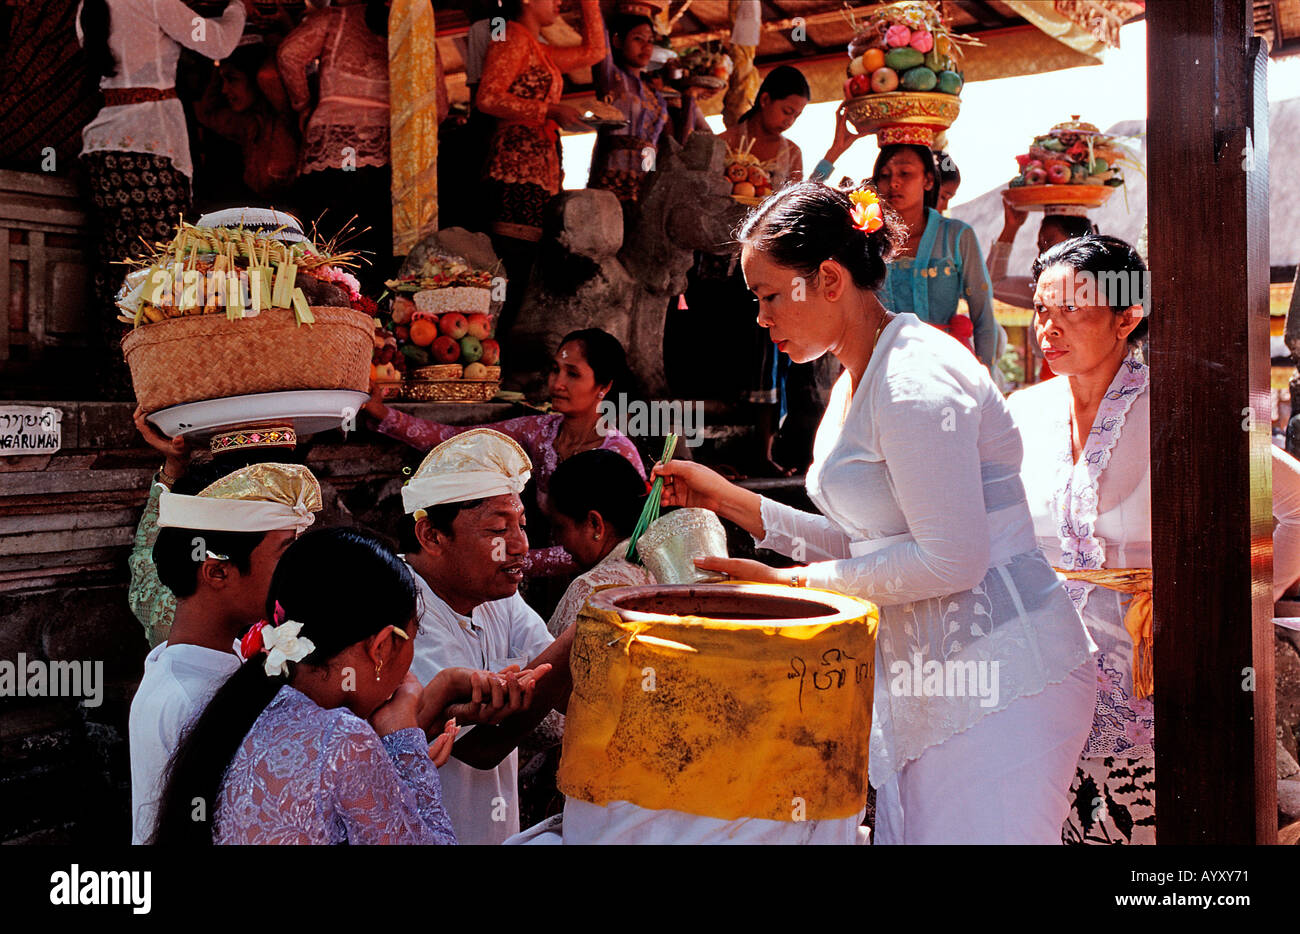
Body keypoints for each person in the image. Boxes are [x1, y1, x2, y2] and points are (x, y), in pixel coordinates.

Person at [653, 180, 1098, 844]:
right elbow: (875, 542)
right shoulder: (858, 373)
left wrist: (791, 587)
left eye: (769, 296)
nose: (761, 318)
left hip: (1004, 681)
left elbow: (950, 559)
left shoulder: (912, 381)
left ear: (828, 279)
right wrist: (733, 502)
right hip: (933, 683)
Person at [1006, 234, 1300, 844]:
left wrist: (1231, 606)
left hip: (1154, 670)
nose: (1048, 327)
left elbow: (1295, 506)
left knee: (1141, 831)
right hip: (1039, 673)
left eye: (1071, 308)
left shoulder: (1182, 410)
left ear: (1126, 315)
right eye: (1040, 309)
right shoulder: (1021, 413)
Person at [149, 528, 486, 845]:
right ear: (381, 647)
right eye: (412, 637)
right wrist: (405, 744)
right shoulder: (343, 738)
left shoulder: (238, 708)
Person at [399, 428, 580, 844]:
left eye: (521, 524)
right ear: (431, 536)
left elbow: (564, 687)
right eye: (498, 530)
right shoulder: (402, 606)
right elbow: (477, 747)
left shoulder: (496, 592)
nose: (519, 546)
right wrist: (585, 629)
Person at [128, 459, 323, 845]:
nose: (297, 573)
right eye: (285, 555)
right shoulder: (186, 699)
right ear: (217, 572)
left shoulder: (229, 657)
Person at [365, 328, 647, 577]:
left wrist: (510, 561)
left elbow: (628, 540)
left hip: (603, 581)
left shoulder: (619, 454)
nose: (557, 383)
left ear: (604, 386)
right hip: (528, 576)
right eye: (554, 370)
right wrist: (384, 415)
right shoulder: (542, 431)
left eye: (572, 374)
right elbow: (459, 441)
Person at [75, 0, 249, 398]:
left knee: (117, 273)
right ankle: (159, 385)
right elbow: (218, 43)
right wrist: (238, 7)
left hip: (102, 149)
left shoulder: (88, 5)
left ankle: (118, 383)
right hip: (151, 147)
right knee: (162, 272)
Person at [476, 0, 605, 337]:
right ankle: (491, 352)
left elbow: (594, 51)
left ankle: (498, 354)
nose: (559, 3)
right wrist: (549, 110)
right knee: (508, 264)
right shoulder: (512, 36)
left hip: (539, 171)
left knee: (523, 268)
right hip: (514, 168)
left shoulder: (540, 47)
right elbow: (488, 97)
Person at [277, 0, 393, 290]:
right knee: (374, 252)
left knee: (328, 253)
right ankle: (375, 329)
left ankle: (331, 325)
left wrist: (303, 104)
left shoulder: (336, 17)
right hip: (383, 151)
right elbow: (439, 105)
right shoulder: (414, 27)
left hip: (333, 145)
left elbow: (289, 54)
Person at [872, 144, 999, 371]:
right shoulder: (867, 240)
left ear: (928, 180)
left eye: (905, 173)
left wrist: (985, 373)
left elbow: (983, 315)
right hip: (882, 369)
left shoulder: (957, 235)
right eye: (884, 175)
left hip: (947, 368)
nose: (893, 183)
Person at [545, 449, 654, 636]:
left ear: (595, 524)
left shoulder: (591, 587)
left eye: (559, 527)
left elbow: (547, 665)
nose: (557, 539)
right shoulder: (664, 561)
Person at [193, 42, 300, 203]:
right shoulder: (248, 123)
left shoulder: (287, 116)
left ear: (255, 79)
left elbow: (267, 76)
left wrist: (272, 40)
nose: (224, 90)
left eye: (232, 79)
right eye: (223, 81)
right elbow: (205, 113)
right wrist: (219, 66)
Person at [588, 13, 668, 206]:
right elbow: (598, 34)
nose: (646, 46)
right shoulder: (611, 78)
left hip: (646, 176)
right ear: (617, 41)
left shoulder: (655, 94)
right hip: (612, 174)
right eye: (637, 38)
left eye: (650, 41)